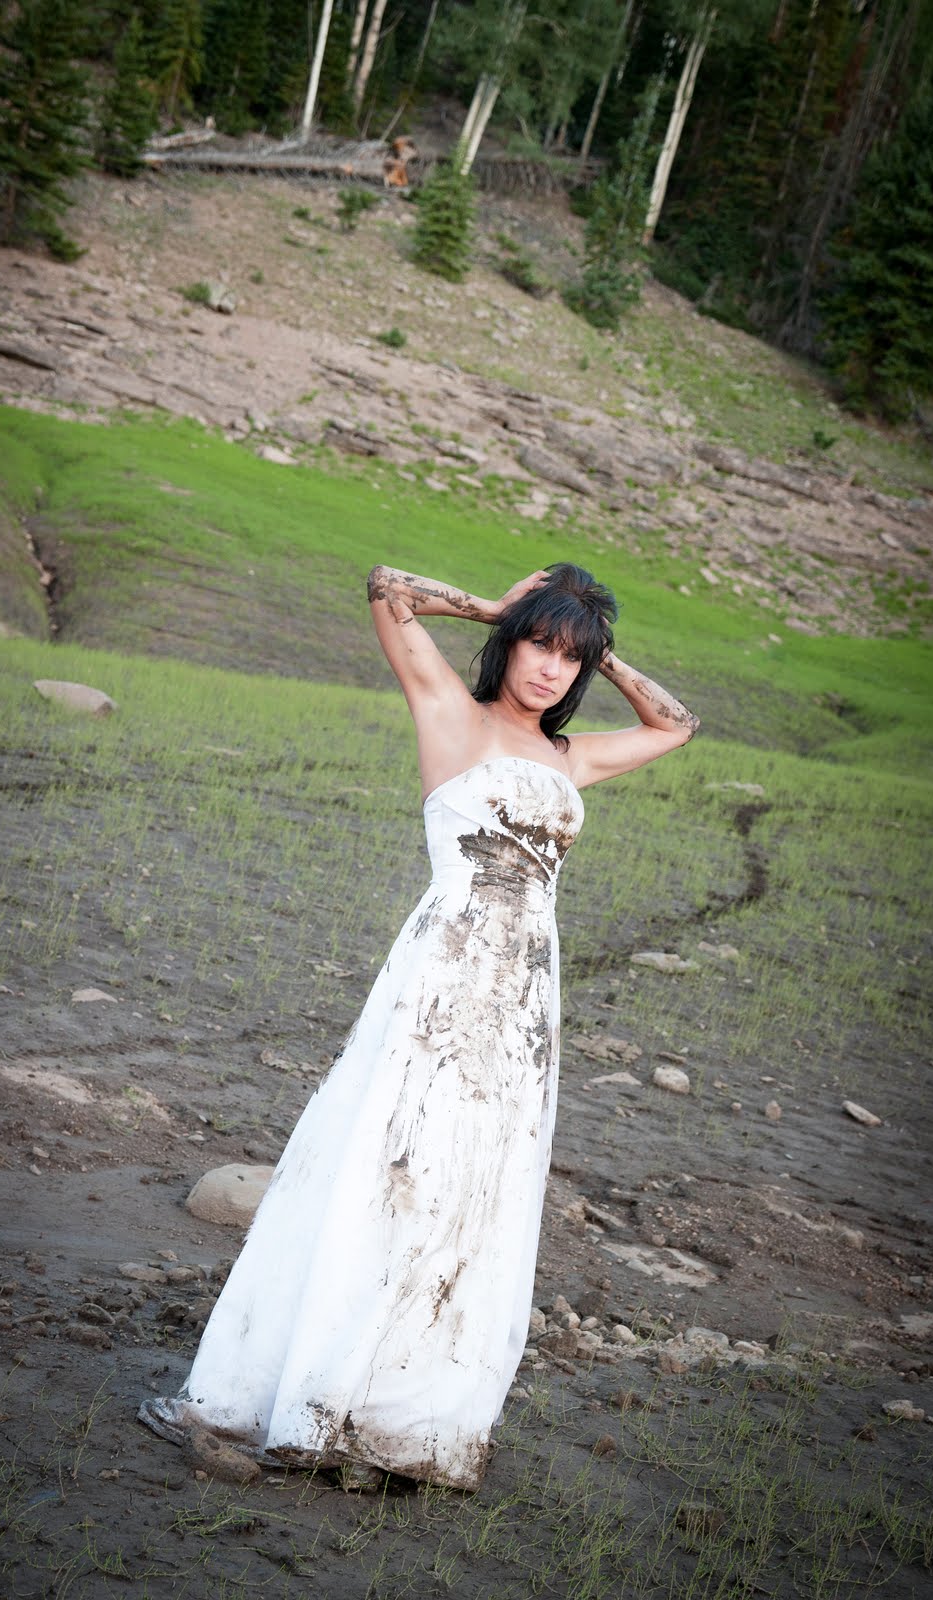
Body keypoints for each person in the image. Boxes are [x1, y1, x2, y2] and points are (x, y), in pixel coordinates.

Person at [139, 561, 698, 1491]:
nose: (551, 670)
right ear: (507, 644)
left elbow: (676, 727)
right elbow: (385, 589)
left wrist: (599, 651)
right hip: (441, 974)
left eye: (571, 659)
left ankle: (396, 1413)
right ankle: (300, 1393)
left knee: (474, 1184)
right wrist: (499, 604)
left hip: (523, 1000)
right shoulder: (451, 713)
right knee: (387, 1161)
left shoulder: (570, 758)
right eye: (538, 646)